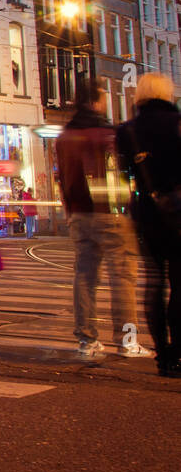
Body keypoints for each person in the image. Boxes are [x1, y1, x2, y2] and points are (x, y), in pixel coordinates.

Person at [54, 77, 150, 360]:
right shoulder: (108, 134)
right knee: (123, 277)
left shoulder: (64, 137)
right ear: (96, 101)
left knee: (84, 276)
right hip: (110, 213)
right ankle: (127, 341)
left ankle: (87, 340)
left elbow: (65, 178)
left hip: (79, 215)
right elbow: (119, 174)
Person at [116, 73, 181, 377]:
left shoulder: (127, 131)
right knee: (179, 282)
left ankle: (162, 354)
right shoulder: (178, 123)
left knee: (154, 282)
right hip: (179, 212)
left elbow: (124, 172)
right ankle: (179, 351)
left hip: (147, 213)